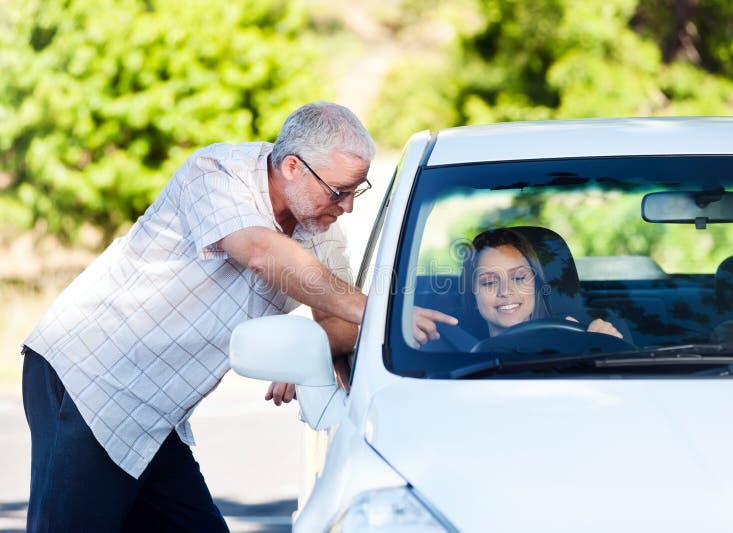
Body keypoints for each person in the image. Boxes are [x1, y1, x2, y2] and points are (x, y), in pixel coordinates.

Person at [20, 101, 454, 532]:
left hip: (156, 413)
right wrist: (385, 311)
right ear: (291, 168)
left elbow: (337, 321)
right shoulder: (215, 172)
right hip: (90, 378)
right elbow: (263, 253)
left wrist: (309, 350)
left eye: (355, 191)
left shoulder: (321, 233)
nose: (347, 207)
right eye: (338, 191)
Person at [462, 228, 621, 338]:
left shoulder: (580, 339)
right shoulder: (453, 353)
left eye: (518, 278)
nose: (505, 291)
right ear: (473, 293)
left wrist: (604, 347)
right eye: (489, 282)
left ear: (536, 285)